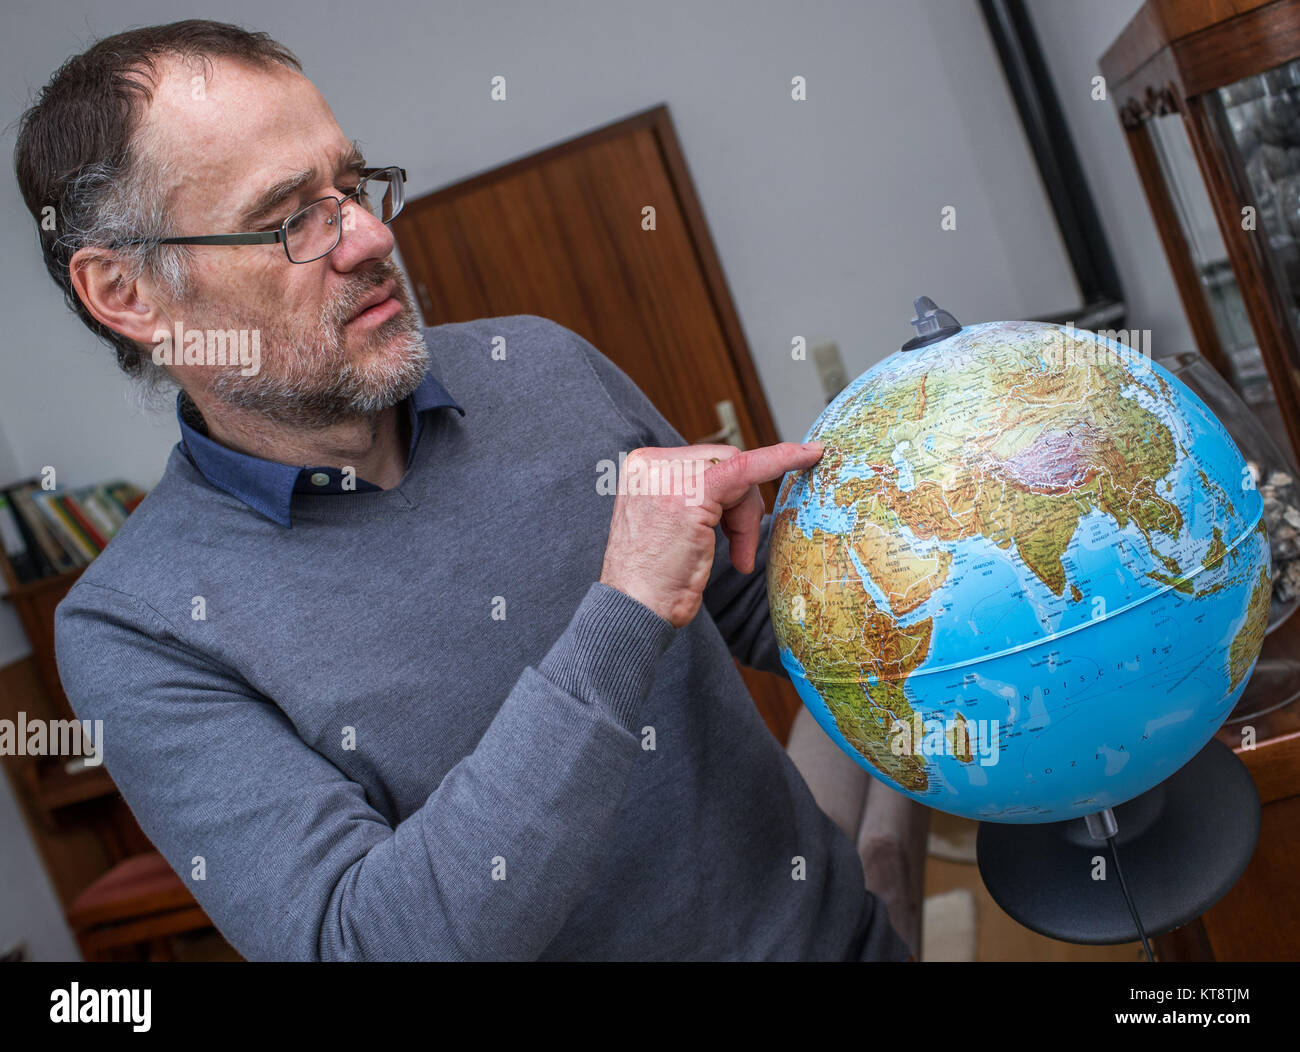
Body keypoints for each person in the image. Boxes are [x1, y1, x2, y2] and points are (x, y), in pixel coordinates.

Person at [16, 19, 912, 961]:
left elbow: (769, 612)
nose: (372, 234)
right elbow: (362, 945)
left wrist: (941, 502)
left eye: (352, 185)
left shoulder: (541, 360)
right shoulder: (134, 628)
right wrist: (624, 611)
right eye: (292, 217)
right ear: (127, 293)